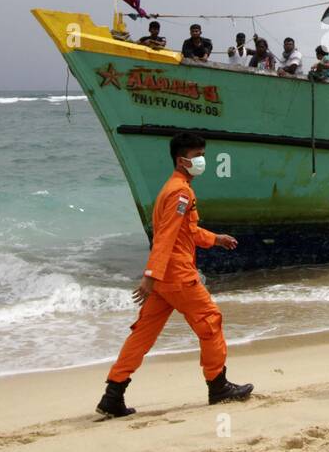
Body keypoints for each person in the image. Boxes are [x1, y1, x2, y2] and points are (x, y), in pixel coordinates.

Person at [95, 132, 253, 416]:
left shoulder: (173, 187)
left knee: (143, 333)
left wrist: (215, 239)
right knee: (211, 321)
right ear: (181, 160)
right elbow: (166, 236)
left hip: (166, 279)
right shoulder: (181, 192)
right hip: (177, 275)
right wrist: (150, 275)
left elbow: (186, 231)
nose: (202, 161)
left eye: (203, 154)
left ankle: (113, 393)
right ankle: (218, 386)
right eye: (197, 156)